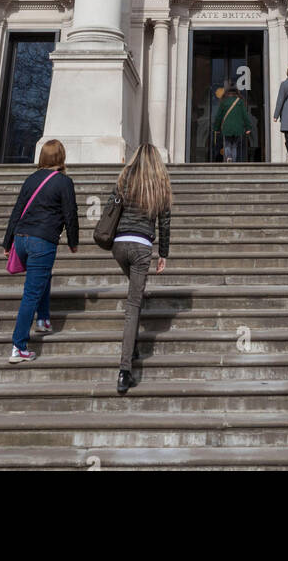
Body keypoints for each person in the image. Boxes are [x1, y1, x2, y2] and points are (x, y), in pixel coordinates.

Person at [2, 139, 78, 364]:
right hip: (42, 240)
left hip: (21, 238)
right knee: (31, 294)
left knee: (43, 276)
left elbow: (17, 211)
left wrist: (7, 242)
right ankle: (19, 347)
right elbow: (70, 214)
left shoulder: (31, 179)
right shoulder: (64, 182)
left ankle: (43, 319)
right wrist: (73, 241)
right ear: (61, 157)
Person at [110, 143, 173, 395]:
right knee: (134, 304)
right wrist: (163, 254)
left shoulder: (124, 179)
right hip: (141, 247)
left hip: (119, 245)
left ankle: (132, 342)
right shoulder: (160, 184)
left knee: (136, 295)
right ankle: (124, 370)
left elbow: (111, 208)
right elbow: (164, 223)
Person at [212, 83, 255, 162]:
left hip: (227, 127)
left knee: (227, 144)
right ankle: (233, 162)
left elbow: (219, 116)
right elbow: (245, 115)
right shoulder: (240, 101)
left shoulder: (224, 102)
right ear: (236, 92)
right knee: (234, 146)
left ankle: (228, 157)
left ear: (227, 92)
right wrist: (248, 127)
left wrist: (216, 128)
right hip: (237, 128)